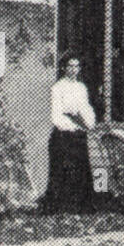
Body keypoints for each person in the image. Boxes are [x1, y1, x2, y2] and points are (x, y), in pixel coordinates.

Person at [41, 53, 96, 213]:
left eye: (76, 66)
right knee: (62, 170)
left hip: (79, 135)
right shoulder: (58, 88)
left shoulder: (81, 88)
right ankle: (59, 207)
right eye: (70, 66)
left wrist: (88, 123)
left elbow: (85, 108)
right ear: (64, 68)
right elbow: (57, 114)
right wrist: (70, 127)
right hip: (63, 135)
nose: (73, 69)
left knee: (81, 170)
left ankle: (80, 207)